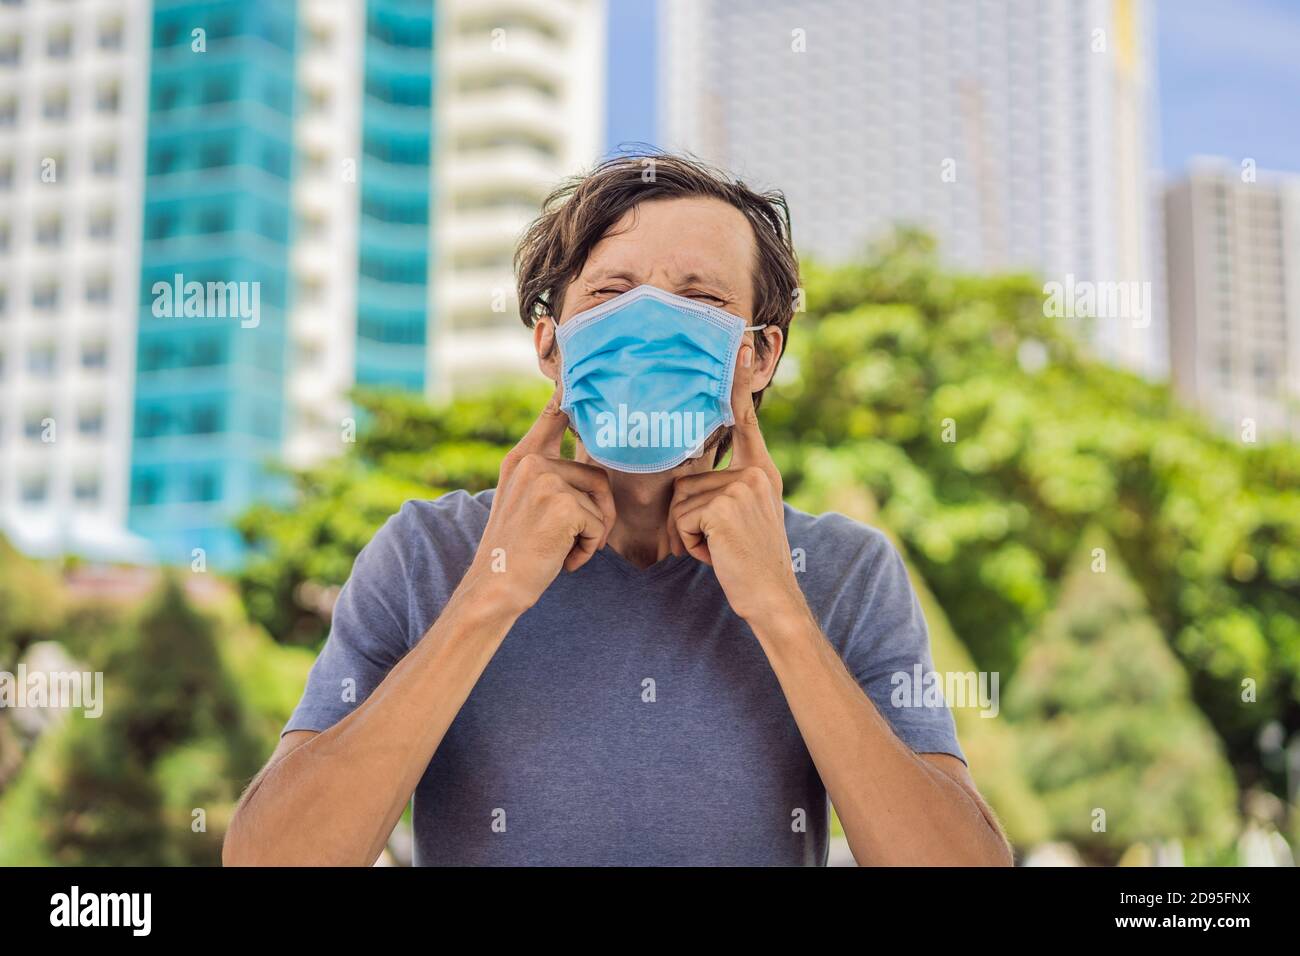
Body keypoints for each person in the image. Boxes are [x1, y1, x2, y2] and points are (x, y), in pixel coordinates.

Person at [223, 154, 1013, 866]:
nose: (649, 320)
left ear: (760, 355)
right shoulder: (425, 552)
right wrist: (490, 595)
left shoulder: (844, 571)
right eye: (611, 291)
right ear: (550, 345)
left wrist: (779, 608)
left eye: (699, 296)